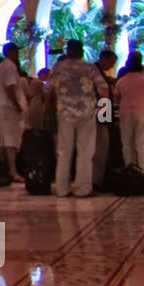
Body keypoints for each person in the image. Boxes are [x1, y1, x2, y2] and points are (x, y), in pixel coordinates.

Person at [48, 40, 105, 198]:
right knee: (85, 152)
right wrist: (103, 111)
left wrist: (51, 106)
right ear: (80, 51)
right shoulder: (89, 67)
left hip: (65, 113)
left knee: (64, 151)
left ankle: (62, 188)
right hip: (87, 112)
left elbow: (48, 89)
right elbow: (103, 89)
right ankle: (83, 188)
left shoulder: (58, 67)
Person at [114, 52, 144, 176]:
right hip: (142, 112)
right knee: (143, 144)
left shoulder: (121, 81)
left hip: (125, 113)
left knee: (127, 144)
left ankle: (130, 172)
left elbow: (116, 97)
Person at [0, 43, 25, 181]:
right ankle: (13, 170)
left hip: (2, 106)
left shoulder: (0, 67)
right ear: (12, 52)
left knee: (5, 139)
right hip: (9, 107)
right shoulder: (10, 67)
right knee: (11, 140)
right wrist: (17, 105)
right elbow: (10, 88)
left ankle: (4, 169)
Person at [92, 48, 119, 191]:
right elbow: (103, 96)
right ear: (104, 59)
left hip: (98, 115)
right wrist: (105, 118)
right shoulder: (96, 74)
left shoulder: (99, 73)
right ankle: (96, 180)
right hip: (99, 117)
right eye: (111, 63)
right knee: (101, 148)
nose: (112, 66)